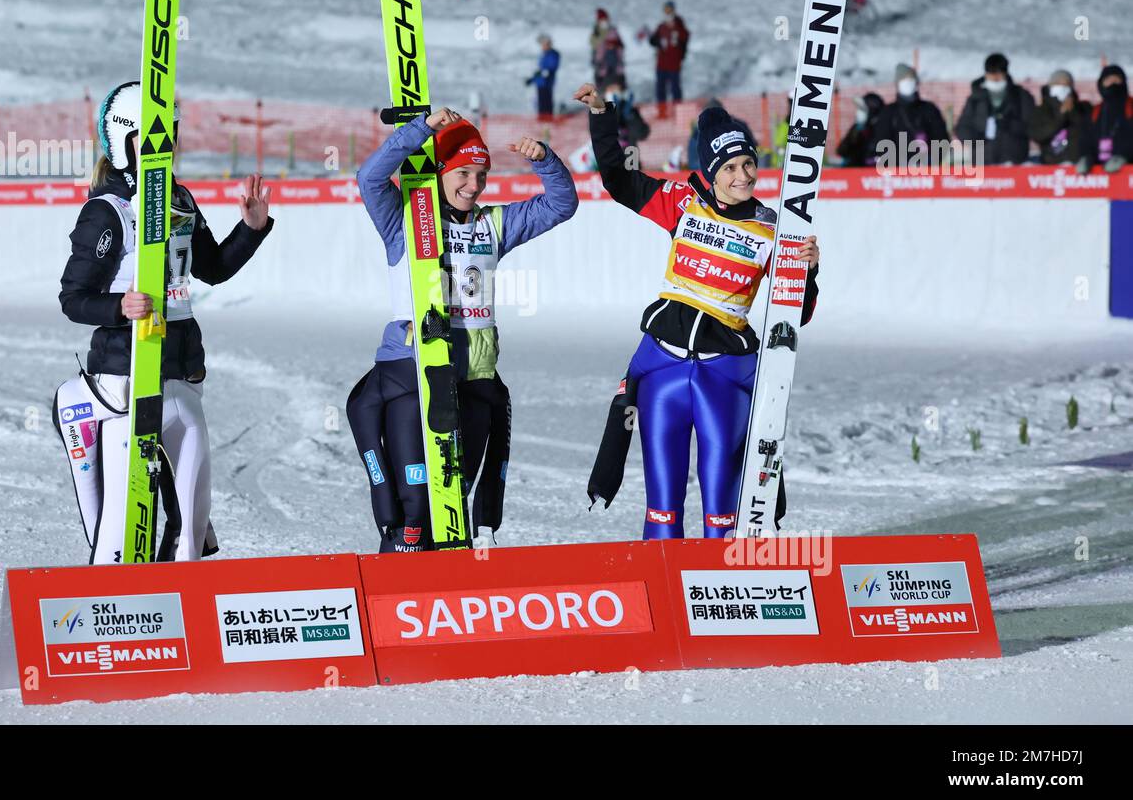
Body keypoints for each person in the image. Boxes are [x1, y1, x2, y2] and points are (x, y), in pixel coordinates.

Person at [575, 82, 818, 539]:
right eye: (730, 167)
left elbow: (795, 314)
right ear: (709, 172)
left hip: (722, 373)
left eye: (748, 163)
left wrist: (809, 270)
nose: (744, 176)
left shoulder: (774, 229)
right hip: (663, 367)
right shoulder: (680, 203)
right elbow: (617, 178)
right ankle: (663, 599)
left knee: (721, 515)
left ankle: (720, 598)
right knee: (661, 511)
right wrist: (603, 116)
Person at [55, 81, 274, 564]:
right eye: (151, 138)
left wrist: (251, 230)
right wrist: (119, 307)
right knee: (122, 531)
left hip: (181, 377)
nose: (163, 147)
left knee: (192, 528)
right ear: (122, 141)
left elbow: (211, 267)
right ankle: (110, 615)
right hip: (124, 379)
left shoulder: (180, 199)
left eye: (170, 135)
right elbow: (73, 299)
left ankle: (180, 616)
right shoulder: (106, 212)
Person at [347, 110, 577, 552]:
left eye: (482, 175)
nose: (474, 185)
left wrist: (545, 159)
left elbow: (560, 205)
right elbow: (369, 179)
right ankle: (396, 595)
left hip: (473, 380)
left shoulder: (494, 225)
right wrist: (421, 131)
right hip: (415, 374)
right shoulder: (405, 222)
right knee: (413, 510)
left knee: (452, 510)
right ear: (441, 171)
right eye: (463, 173)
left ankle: (446, 601)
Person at [954, 52, 1036, 165]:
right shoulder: (976, 98)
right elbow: (962, 127)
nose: (995, 78)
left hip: (1013, 159)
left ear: (1005, 73)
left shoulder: (1020, 96)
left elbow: (1033, 125)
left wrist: (1011, 126)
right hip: (981, 160)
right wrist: (975, 139)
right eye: (991, 73)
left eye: (998, 73)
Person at [870, 63, 949, 159]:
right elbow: (882, 142)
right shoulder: (889, 112)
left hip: (927, 168)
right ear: (898, 84)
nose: (907, 83)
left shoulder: (929, 109)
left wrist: (932, 158)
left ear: (916, 83)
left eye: (911, 80)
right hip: (897, 170)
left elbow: (941, 138)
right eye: (903, 80)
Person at [1028, 70, 1093, 167]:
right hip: (1049, 166)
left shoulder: (1083, 107)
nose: (1062, 87)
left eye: (1066, 84)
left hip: (1077, 166)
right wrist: (1061, 116)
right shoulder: (1040, 110)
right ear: (1050, 86)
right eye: (1058, 83)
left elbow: (1087, 131)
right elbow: (1038, 135)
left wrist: (1072, 112)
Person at [1085, 63, 1133, 174]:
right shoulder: (1095, 112)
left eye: (1116, 80)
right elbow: (1086, 138)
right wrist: (1086, 157)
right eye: (1108, 80)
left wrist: (1125, 156)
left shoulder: (1130, 108)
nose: (1112, 84)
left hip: (1128, 172)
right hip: (1098, 175)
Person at [649, 0, 689, 109]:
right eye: (665, 10)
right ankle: (662, 111)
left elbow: (685, 37)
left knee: (675, 88)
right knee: (660, 89)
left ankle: (678, 110)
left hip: (674, 64)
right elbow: (652, 40)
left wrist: (682, 54)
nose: (667, 12)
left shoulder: (679, 25)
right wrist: (656, 41)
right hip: (661, 63)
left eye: (669, 10)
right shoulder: (661, 26)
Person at [836, 92, 884, 166]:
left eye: (863, 109)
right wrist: (858, 129)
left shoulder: (883, 127)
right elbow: (842, 151)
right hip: (855, 170)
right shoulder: (858, 127)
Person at [526, 34, 561, 119]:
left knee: (547, 103)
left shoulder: (553, 54)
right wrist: (532, 79)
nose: (542, 46)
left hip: (547, 83)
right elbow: (541, 70)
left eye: (544, 44)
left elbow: (550, 69)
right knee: (541, 103)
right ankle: (542, 120)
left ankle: (548, 120)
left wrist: (545, 73)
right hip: (540, 83)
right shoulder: (544, 55)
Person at [591, 9, 627, 92]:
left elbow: (621, 45)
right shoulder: (596, 32)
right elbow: (593, 45)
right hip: (601, 63)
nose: (603, 22)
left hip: (615, 62)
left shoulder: (613, 30)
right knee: (602, 84)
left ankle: (620, 100)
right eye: (601, 20)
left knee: (618, 82)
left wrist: (615, 46)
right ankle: (602, 101)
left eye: (605, 20)